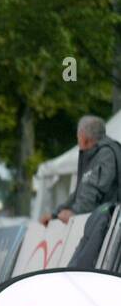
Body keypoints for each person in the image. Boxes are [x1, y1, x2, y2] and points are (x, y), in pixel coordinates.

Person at [42, 115, 121, 268]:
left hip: (105, 231)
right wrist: (55, 214)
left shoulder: (105, 155)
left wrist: (74, 213)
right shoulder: (99, 154)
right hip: (102, 227)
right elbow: (80, 191)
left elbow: (92, 191)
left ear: (84, 138)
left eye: (78, 137)